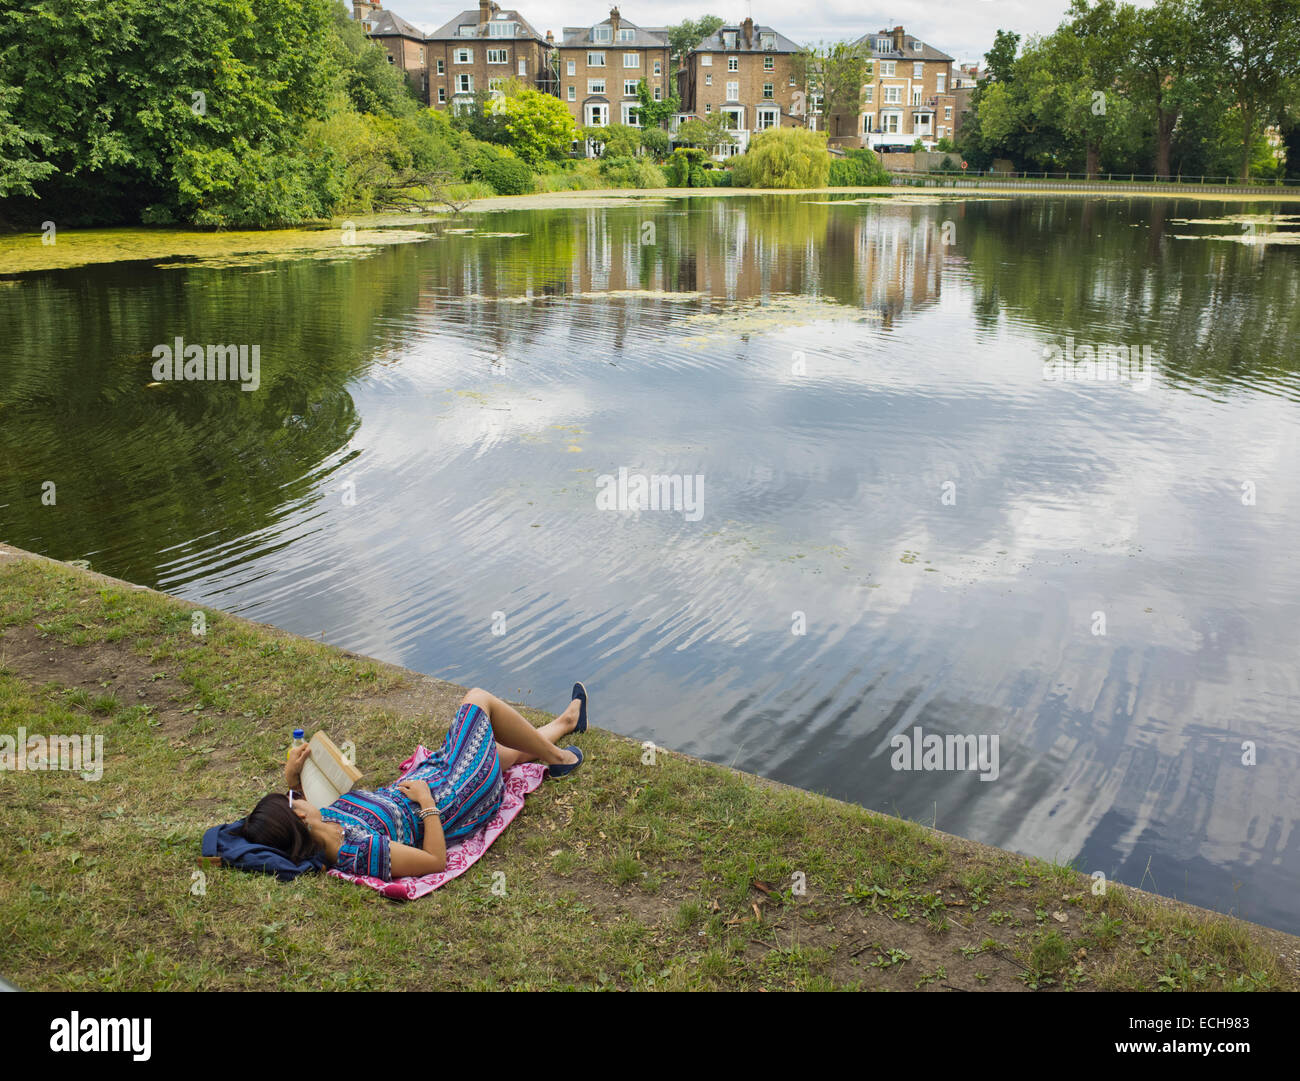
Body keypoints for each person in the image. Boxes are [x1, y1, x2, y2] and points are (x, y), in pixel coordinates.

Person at [237, 685, 586, 881]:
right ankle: (560, 759)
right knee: (478, 702)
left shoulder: (321, 825)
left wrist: (292, 776)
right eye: (291, 800)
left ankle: (565, 723)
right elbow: (434, 861)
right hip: (452, 800)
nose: (294, 796)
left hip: (428, 781)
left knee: (493, 749)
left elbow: (297, 803)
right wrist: (426, 801)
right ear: (299, 819)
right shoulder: (356, 851)